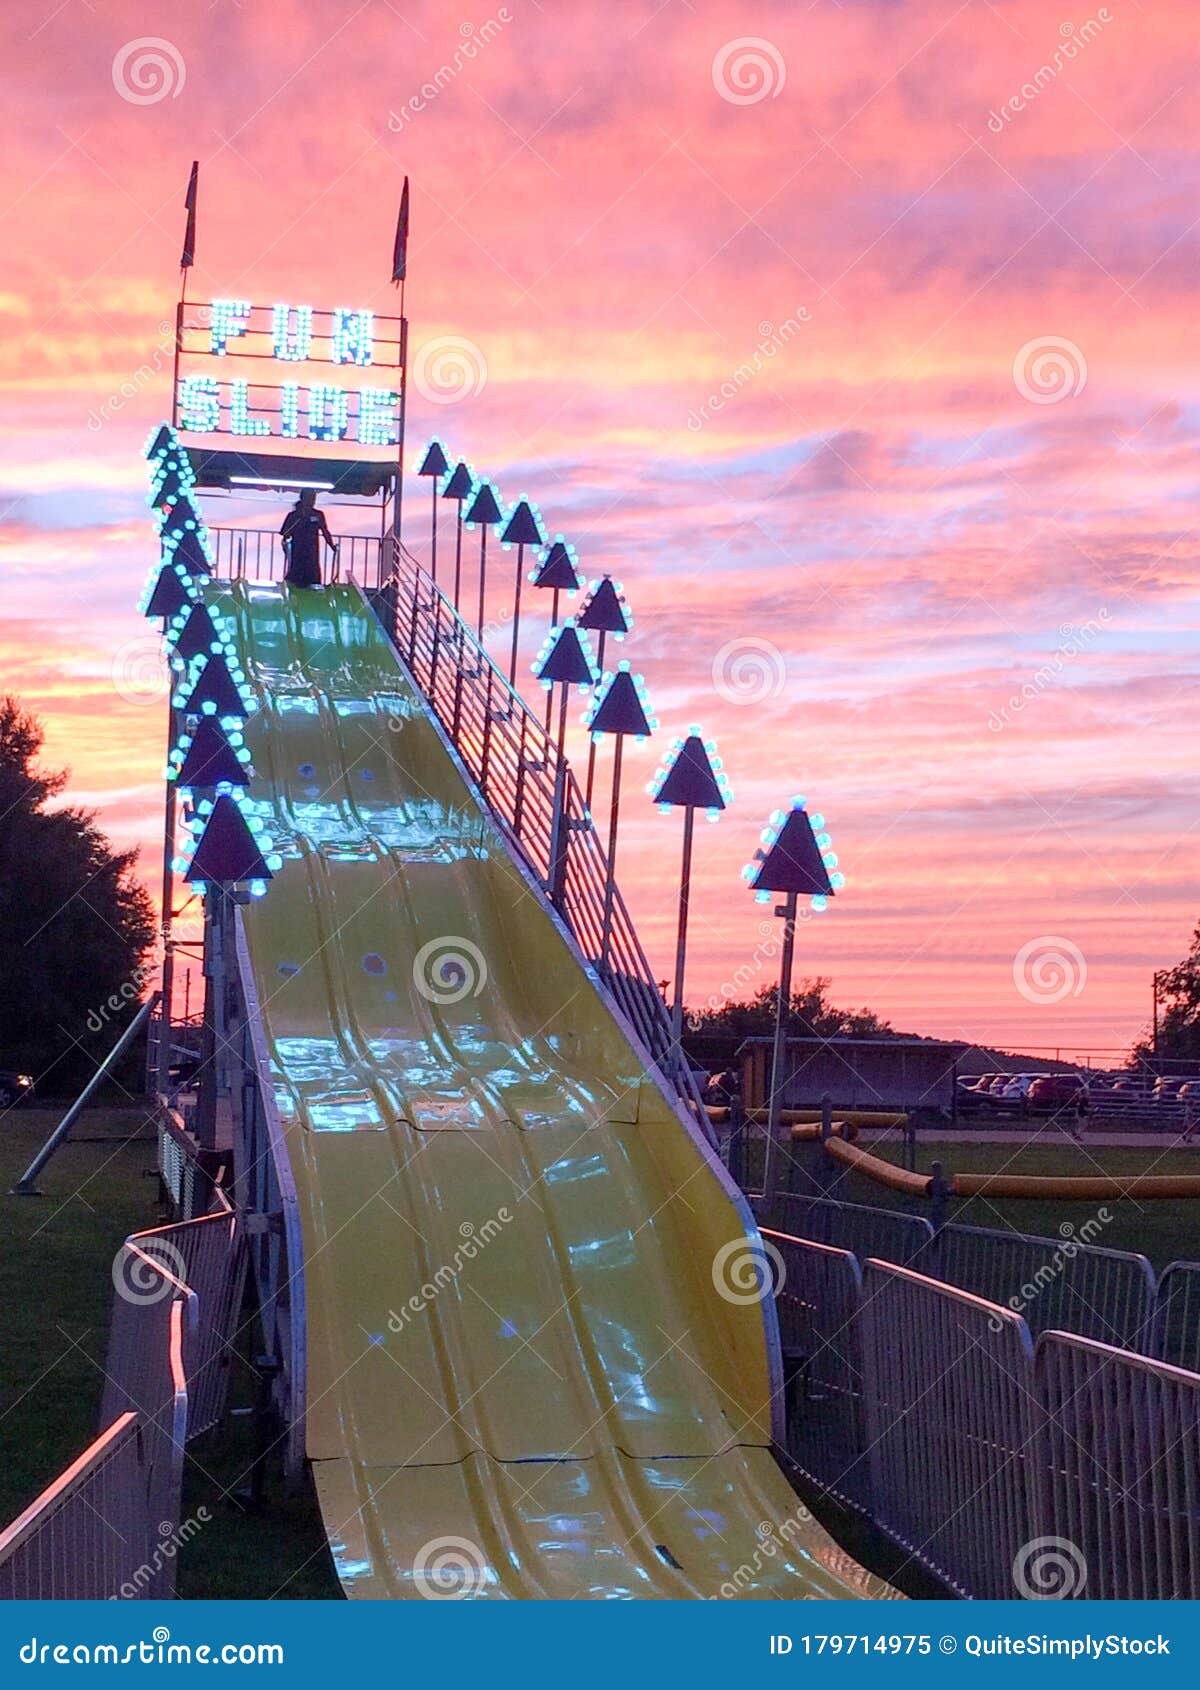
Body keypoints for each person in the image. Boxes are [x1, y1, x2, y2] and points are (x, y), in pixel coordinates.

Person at [280, 489, 333, 587]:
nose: (312, 501)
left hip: (312, 551)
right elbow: (285, 534)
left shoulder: (318, 515)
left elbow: (325, 531)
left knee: (313, 574)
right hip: (298, 550)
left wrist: (332, 546)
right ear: (302, 499)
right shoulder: (293, 516)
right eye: (309, 498)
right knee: (295, 573)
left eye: (313, 499)